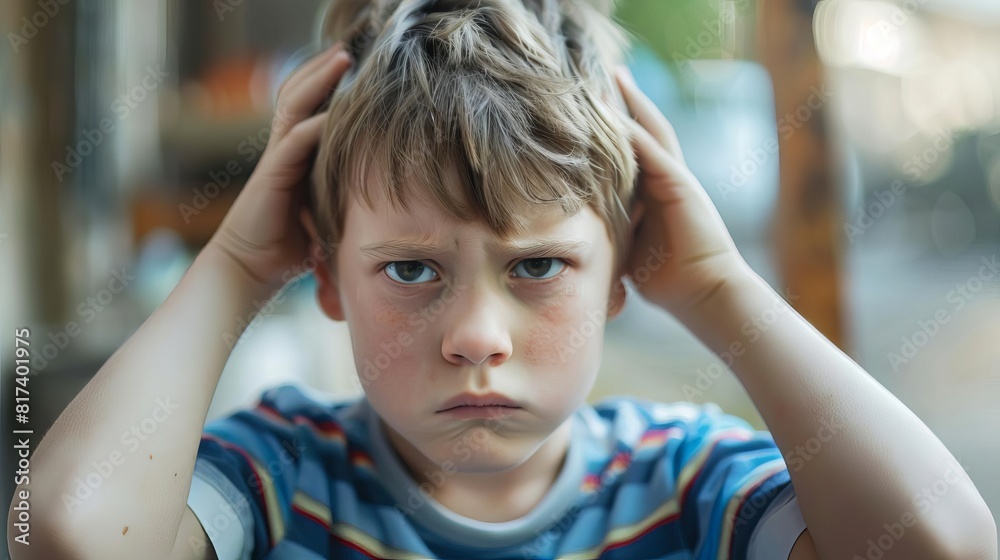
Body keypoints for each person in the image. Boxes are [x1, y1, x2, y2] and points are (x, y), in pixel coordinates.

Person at [8, 0, 995, 559]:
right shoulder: (281, 475)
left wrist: (716, 286)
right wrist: (231, 266)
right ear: (326, 272)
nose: (475, 334)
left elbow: (939, 543)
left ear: (624, 268)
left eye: (537, 265)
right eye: (410, 268)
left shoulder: (686, 480)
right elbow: (66, 532)